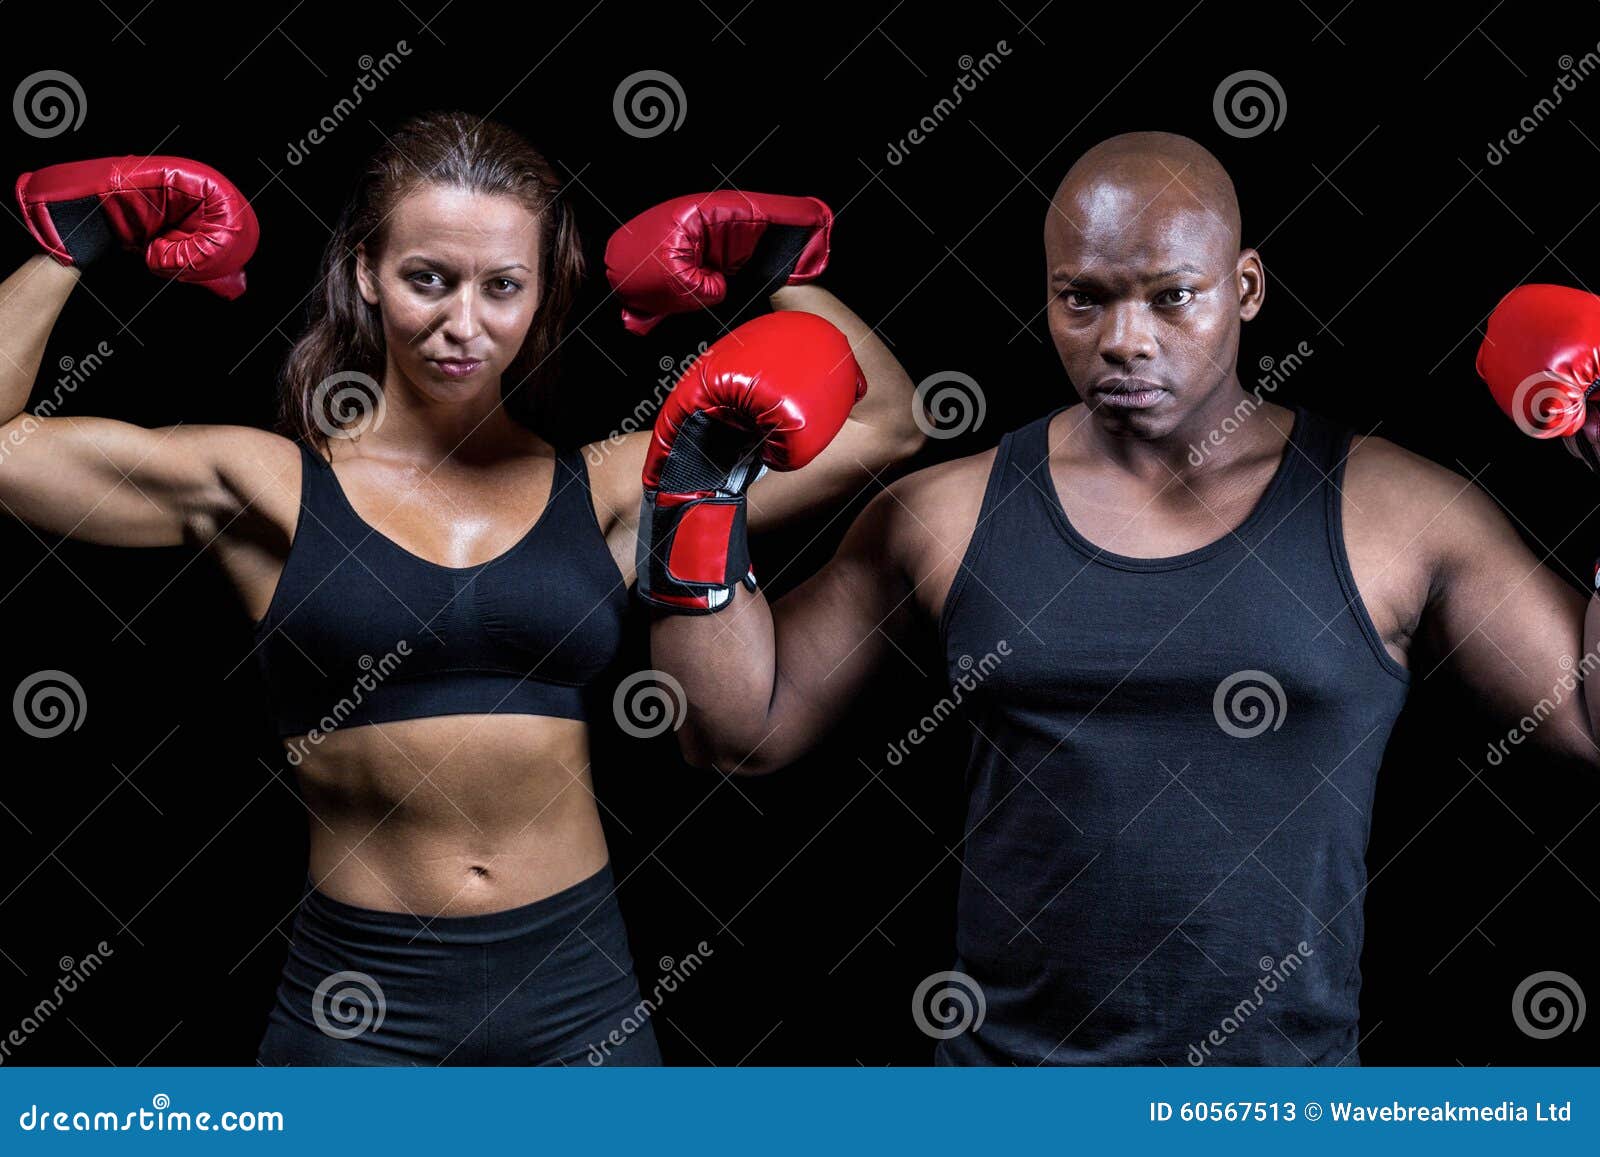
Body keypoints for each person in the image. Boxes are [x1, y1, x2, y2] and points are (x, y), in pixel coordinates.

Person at [640, 130, 1600, 1065]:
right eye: (1084, 300)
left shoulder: (1399, 510)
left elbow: (1590, 722)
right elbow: (736, 731)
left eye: (1173, 297)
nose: (1124, 340)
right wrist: (696, 484)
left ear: (1247, 290)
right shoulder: (947, 511)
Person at [0, 112, 924, 1065]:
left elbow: (888, 423)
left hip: (580, 1002)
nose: (463, 324)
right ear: (367, 272)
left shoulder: (618, 485)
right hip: (358, 1012)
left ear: (540, 291)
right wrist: (79, 239)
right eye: (427, 279)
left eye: (503, 287)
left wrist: (778, 268)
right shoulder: (267, 487)